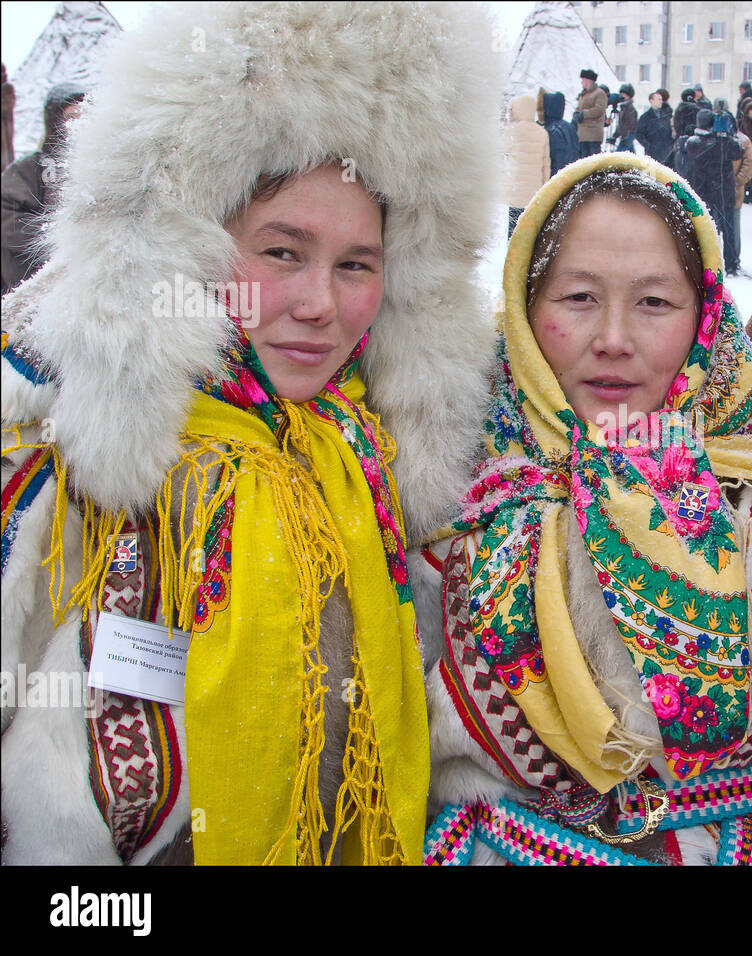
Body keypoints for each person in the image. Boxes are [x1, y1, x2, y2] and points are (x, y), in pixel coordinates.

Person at [0, 1, 497, 865]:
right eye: (279, 252)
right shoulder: (68, 456)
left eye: (356, 265)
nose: (318, 304)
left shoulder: (376, 463)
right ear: (192, 247)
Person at [419, 153, 752, 866]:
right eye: (578, 298)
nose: (613, 338)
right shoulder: (451, 516)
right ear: (522, 307)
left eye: (654, 302)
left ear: (705, 322)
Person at [1, 82, 85, 294]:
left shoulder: (103, 168)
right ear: (55, 121)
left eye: (86, 117)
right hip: (33, 292)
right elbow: (7, 221)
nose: (80, 125)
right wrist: (65, 240)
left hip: (87, 289)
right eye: (72, 117)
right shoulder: (28, 169)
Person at [683, 109, 743, 273]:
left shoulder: (692, 142)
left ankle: (704, 264)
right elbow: (738, 151)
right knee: (727, 230)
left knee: (704, 232)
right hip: (722, 193)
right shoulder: (718, 143)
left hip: (702, 194)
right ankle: (730, 263)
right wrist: (728, 133)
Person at [506, 93, 550, 237]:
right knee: (530, 233)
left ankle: (511, 257)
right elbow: (546, 164)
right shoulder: (542, 133)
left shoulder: (511, 131)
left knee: (513, 231)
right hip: (534, 191)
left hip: (516, 190)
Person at [727, 126, 752, 278]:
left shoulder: (742, 141)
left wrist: (736, 181)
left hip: (733, 193)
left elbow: (749, 164)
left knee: (733, 228)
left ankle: (733, 261)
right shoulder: (716, 138)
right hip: (715, 193)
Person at [539, 89, 580, 177]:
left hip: (558, 178)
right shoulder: (569, 127)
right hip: (572, 175)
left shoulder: (551, 130)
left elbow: (556, 159)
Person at [573, 68, 607, 159]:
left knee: (593, 162)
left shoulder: (599, 93)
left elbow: (599, 109)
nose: (581, 82)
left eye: (583, 80)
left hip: (593, 135)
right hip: (582, 136)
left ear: (589, 81)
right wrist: (576, 114)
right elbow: (578, 108)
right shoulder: (583, 95)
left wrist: (584, 114)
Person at [635, 88, 673, 165]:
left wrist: (671, 144)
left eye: (661, 99)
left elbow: (671, 131)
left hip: (667, 153)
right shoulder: (645, 117)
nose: (661, 101)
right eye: (658, 99)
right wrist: (648, 146)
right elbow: (639, 134)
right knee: (652, 174)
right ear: (651, 100)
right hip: (652, 154)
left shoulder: (666, 115)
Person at [611, 83, 637, 152]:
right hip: (625, 136)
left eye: (624, 94)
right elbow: (620, 124)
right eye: (621, 93)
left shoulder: (630, 109)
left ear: (629, 95)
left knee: (619, 156)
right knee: (631, 154)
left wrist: (625, 137)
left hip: (628, 136)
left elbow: (630, 126)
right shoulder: (623, 108)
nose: (622, 95)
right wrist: (615, 135)